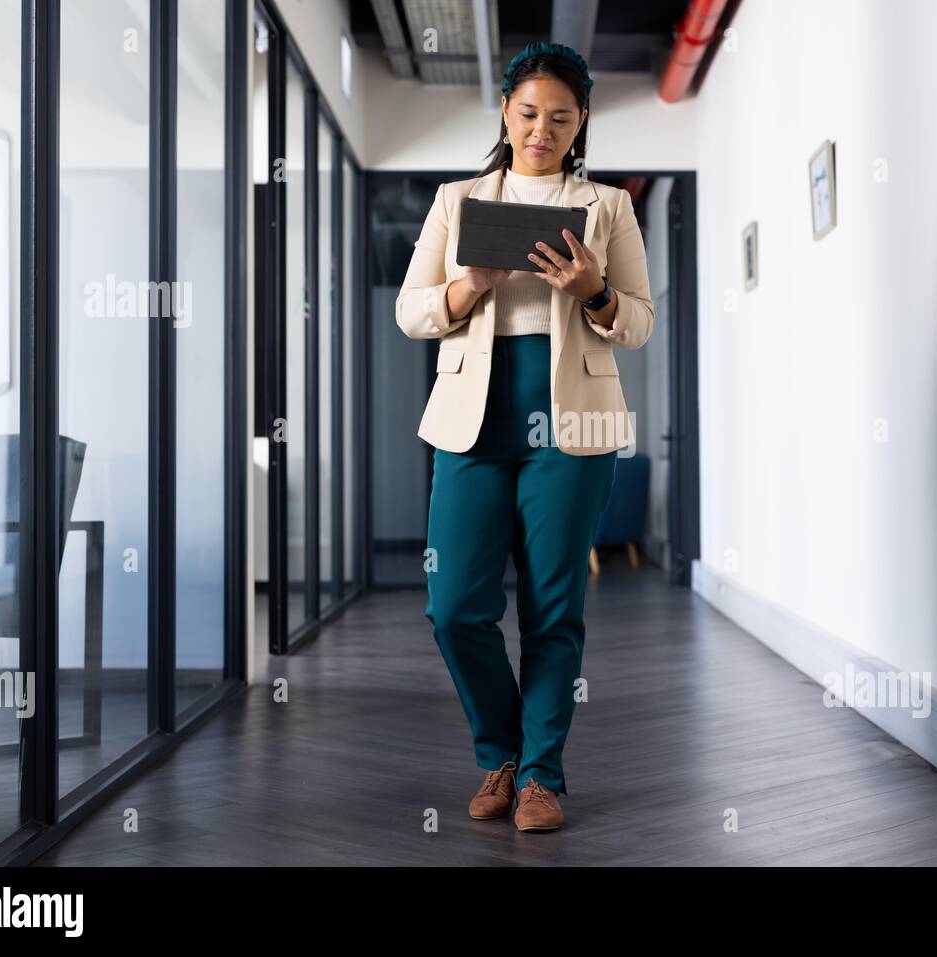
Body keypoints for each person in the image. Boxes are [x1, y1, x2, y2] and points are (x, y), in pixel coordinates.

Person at [395, 40, 655, 832]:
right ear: (505, 113)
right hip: (473, 420)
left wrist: (595, 291)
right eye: (529, 112)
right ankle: (497, 751)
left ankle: (539, 773)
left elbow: (639, 322)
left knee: (552, 607)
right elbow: (411, 311)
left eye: (561, 117)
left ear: (580, 126)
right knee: (454, 608)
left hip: (571, 423)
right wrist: (471, 284)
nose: (543, 129)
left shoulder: (607, 206)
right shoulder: (456, 201)